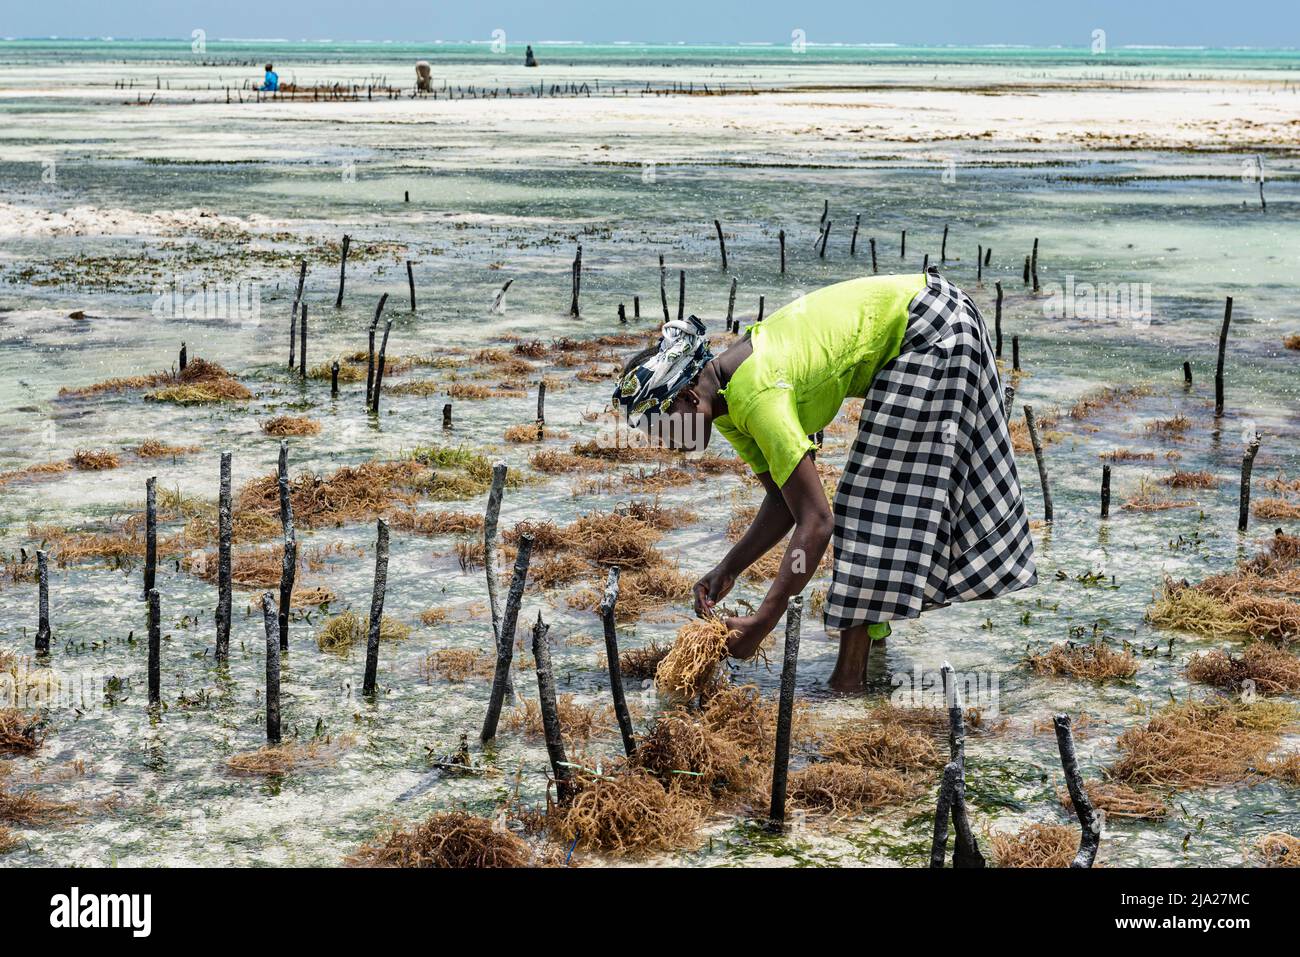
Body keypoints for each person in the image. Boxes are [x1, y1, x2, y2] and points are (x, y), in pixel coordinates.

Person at [612, 269, 1036, 693]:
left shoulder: (756, 396)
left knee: (868, 506)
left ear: (688, 397)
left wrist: (765, 619)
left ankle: (849, 679)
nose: (667, 444)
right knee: (876, 500)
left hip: (934, 327)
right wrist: (729, 568)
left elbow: (817, 521)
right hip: (928, 318)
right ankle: (868, 654)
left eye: (664, 428)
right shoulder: (726, 403)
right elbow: (784, 502)